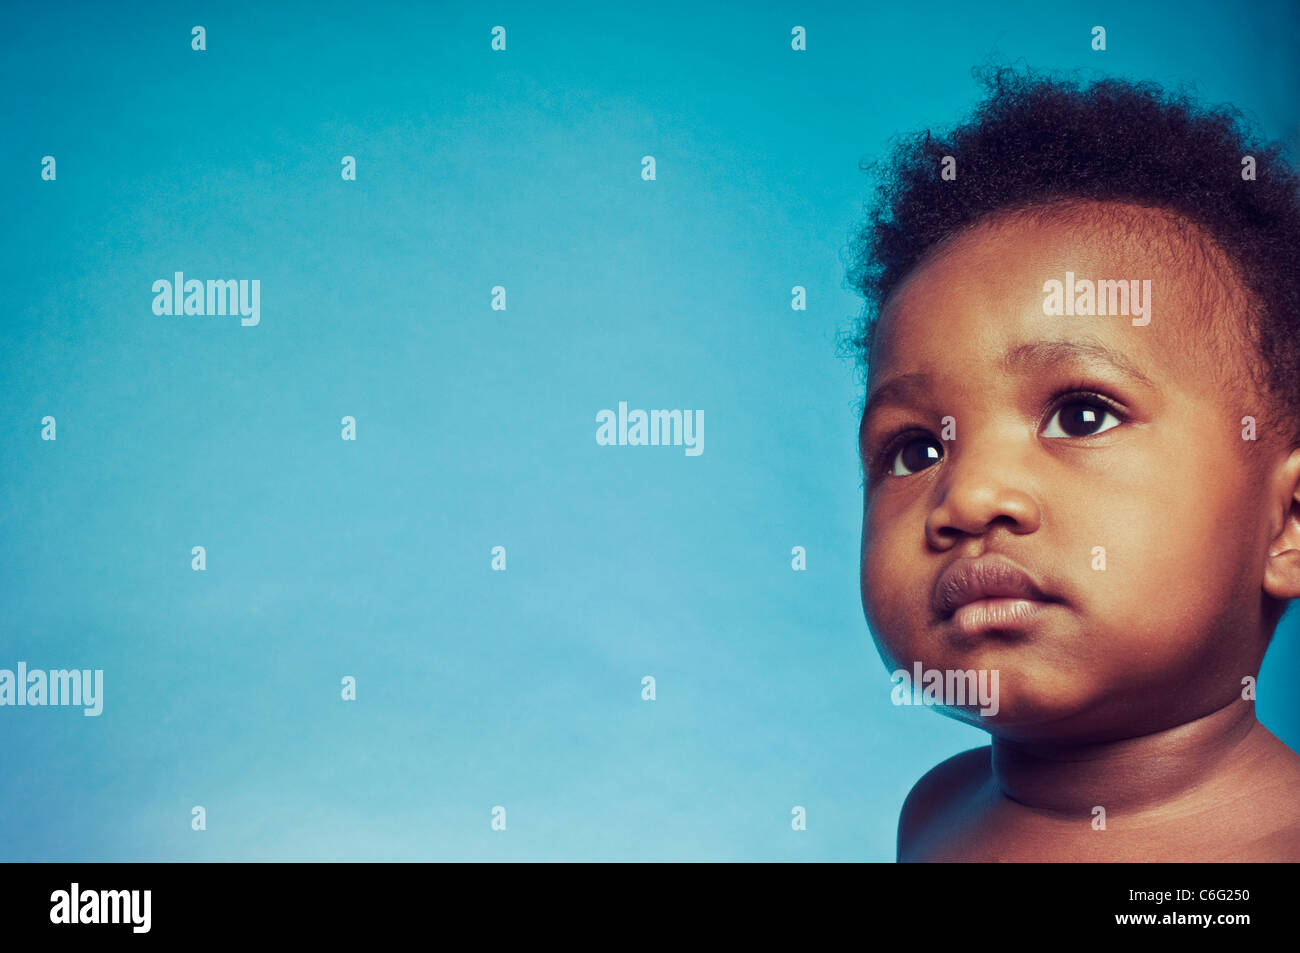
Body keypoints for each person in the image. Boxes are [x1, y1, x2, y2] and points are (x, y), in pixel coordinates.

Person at [847, 66, 1300, 861]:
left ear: (1288, 524)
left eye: (1081, 414)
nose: (971, 495)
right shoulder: (939, 810)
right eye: (917, 448)